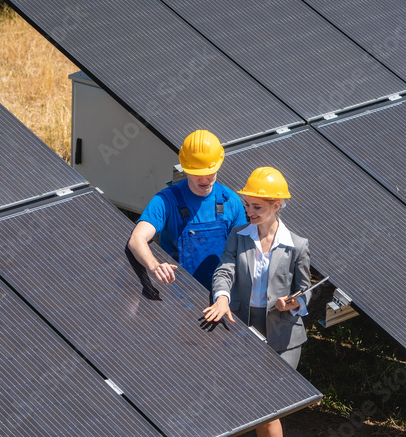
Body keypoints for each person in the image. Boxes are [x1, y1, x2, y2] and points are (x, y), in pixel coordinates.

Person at [203, 167, 311, 437]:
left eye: (257, 206)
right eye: (247, 205)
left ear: (276, 205)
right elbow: (225, 270)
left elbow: (305, 288)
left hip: (283, 335)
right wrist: (222, 298)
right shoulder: (238, 235)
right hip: (242, 327)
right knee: (251, 405)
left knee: (268, 407)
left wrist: (295, 303)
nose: (249, 211)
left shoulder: (296, 245)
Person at [127, 129, 246, 289]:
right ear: (185, 167)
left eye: (209, 173)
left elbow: (242, 249)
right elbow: (137, 239)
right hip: (180, 297)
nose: (204, 179)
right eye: (197, 173)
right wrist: (155, 266)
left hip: (222, 296)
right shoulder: (166, 200)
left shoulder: (230, 200)